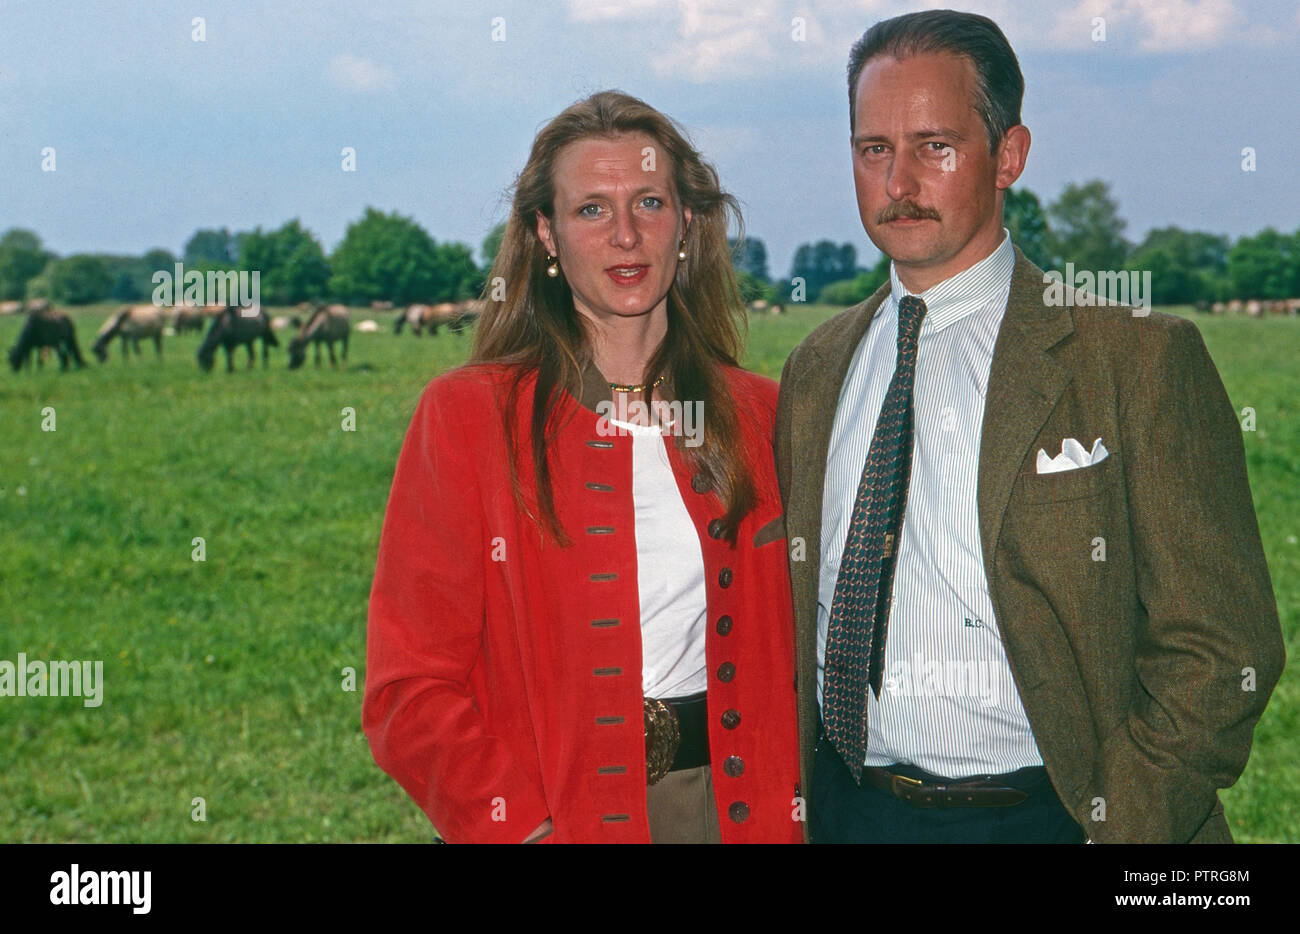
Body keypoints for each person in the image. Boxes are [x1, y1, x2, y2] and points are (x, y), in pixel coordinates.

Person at [775, 10, 1284, 843]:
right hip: (846, 812)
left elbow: (1224, 650)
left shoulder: (1138, 360)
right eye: (874, 149)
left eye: (934, 146)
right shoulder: (816, 369)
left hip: (1051, 818)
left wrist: (1117, 824)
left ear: (1008, 154)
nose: (898, 180)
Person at [363, 90, 801, 844]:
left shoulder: (766, 415)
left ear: (686, 225)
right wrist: (521, 828)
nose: (626, 235)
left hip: (736, 816)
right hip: (553, 816)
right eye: (592, 209)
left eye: (650, 203)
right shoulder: (468, 418)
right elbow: (409, 689)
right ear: (546, 236)